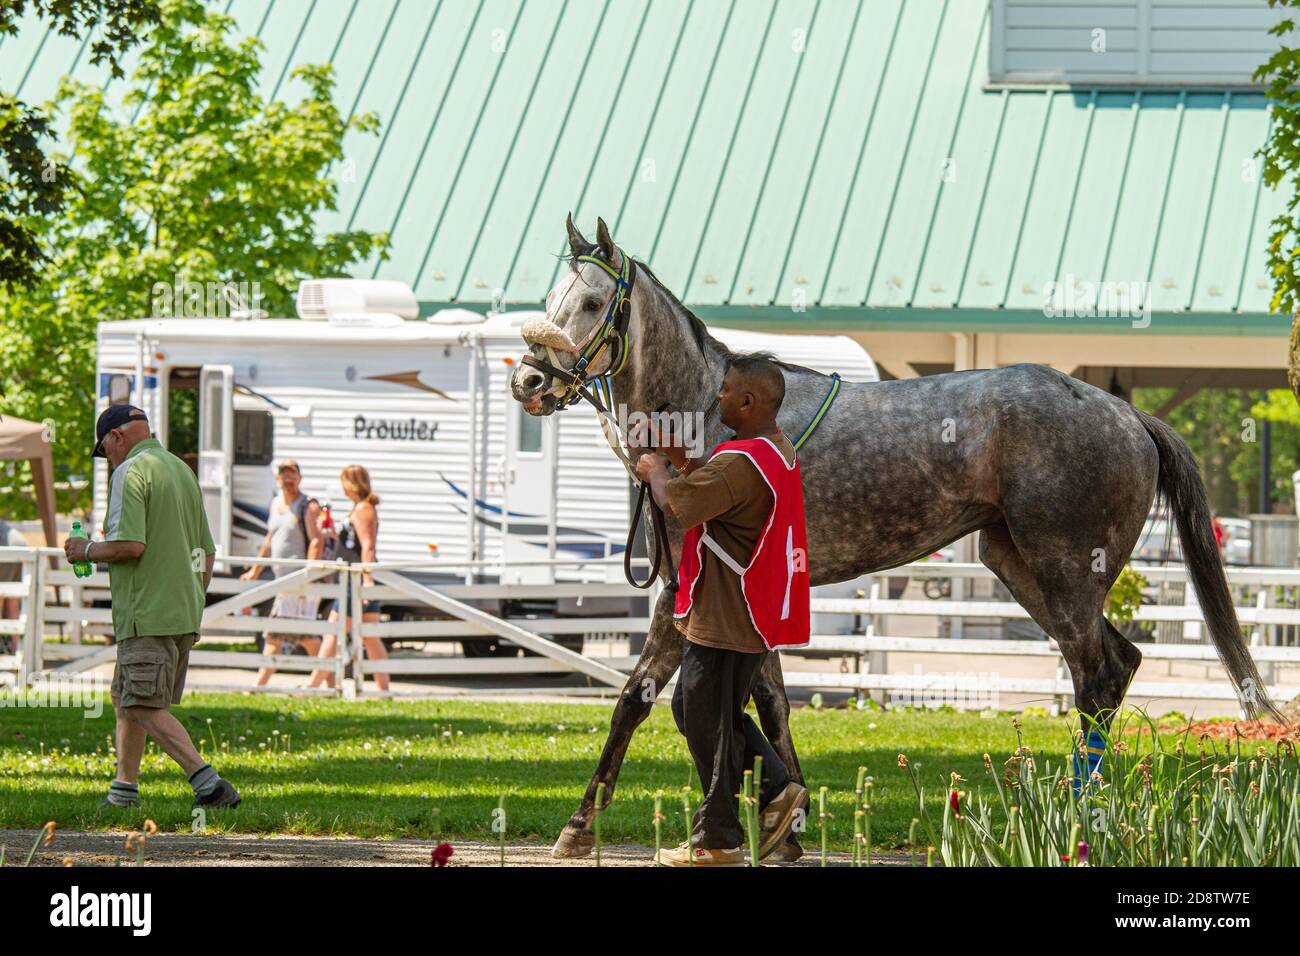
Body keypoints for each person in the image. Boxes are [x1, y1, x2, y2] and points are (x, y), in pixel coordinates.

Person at [633, 352, 810, 867]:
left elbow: (683, 506)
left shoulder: (740, 459)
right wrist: (684, 464)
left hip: (722, 617)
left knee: (705, 719)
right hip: (750, 616)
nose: (718, 396)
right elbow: (719, 497)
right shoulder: (774, 451)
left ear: (749, 400)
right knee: (702, 711)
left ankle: (718, 841)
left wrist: (658, 472)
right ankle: (777, 788)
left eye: (726, 389)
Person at [64, 404, 240, 810]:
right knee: (126, 698)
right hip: (181, 611)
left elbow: (130, 546)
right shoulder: (181, 470)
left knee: (142, 703)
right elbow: (207, 552)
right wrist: (192, 596)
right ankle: (123, 791)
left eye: (104, 449)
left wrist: (86, 549)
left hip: (146, 612)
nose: (107, 458)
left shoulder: (130, 472)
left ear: (117, 438)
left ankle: (209, 784)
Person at [242, 459, 324, 685]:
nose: (288, 480)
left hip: (299, 582)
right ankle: (327, 681)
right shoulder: (276, 503)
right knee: (296, 635)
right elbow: (269, 541)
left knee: (286, 635)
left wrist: (309, 574)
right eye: (284, 475)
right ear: (277, 479)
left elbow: (317, 540)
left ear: (299, 478)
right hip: (283, 581)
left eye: (292, 475)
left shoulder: (307, 505)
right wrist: (254, 571)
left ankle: (260, 685)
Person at [307, 465, 388, 691]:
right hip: (354, 580)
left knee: (333, 632)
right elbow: (352, 542)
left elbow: (368, 546)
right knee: (371, 637)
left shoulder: (364, 509)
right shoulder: (359, 508)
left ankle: (312, 686)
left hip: (355, 581)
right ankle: (384, 690)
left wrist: (367, 580)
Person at [0, 516, 25, 655]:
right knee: (13, 601)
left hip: (4, 541)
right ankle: (16, 650)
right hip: (18, 541)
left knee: (2, 597)